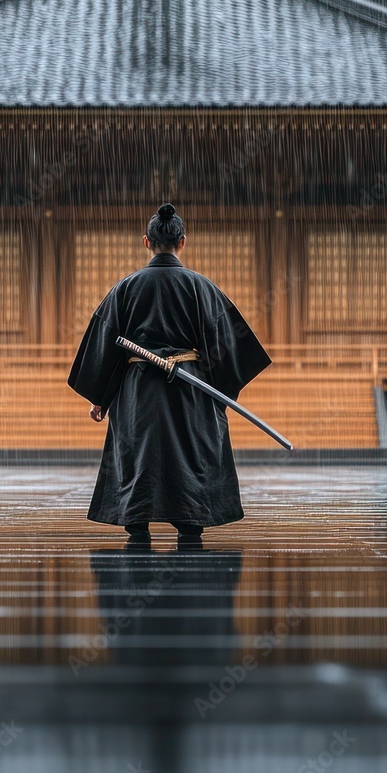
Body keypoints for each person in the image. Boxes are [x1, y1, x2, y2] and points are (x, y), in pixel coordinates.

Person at [67, 204, 272, 544]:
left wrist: (100, 395)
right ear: (182, 242)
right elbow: (226, 345)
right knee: (192, 451)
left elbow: (106, 344)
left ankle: (136, 518)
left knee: (139, 451)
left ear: (146, 242)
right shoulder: (201, 287)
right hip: (191, 388)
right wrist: (219, 387)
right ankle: (190, 517)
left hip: (137, 388)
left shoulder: (126, 288)